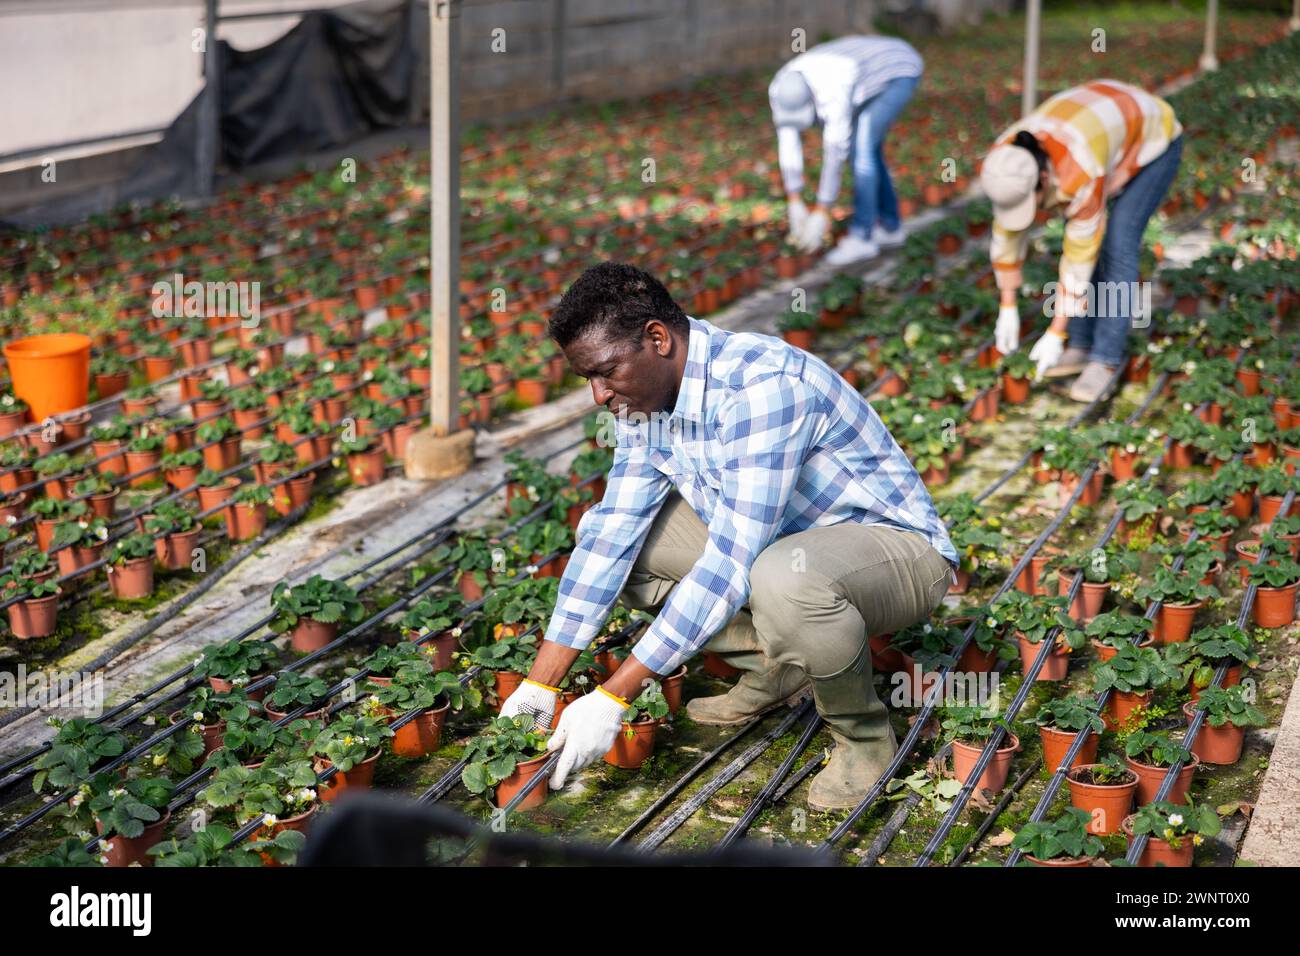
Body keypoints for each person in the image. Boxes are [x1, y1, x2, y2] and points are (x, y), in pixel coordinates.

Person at [499, 262, 957, 810]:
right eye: (587, 379)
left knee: (783, 579)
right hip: (779, 542)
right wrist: (540, 685)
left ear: (657, 339)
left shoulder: (763, 389)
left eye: (606, 372)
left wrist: (612, 697)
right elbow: (613, 533)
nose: (599, 394)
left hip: (894, 551)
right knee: (616, 536)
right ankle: (778, 668)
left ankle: (863, 739)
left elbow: (730, 563)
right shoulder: (643, 401)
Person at [981, 79, 1184, 402]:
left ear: (1044, 180)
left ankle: (1104, 359)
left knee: (1118, 244)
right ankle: (1080, 343)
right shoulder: (1006, 162)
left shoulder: (1080, 171)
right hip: (1102, 121)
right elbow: (1006, 235)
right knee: (1098, 244)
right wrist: (1007, 305)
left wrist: (1055, 332)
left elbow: (1078, 258)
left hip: (1152, 137)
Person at [769, 35, 923, 266]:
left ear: (814, 102)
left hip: (898, 68)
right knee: (868, 150)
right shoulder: (780, 87)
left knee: (861, 153)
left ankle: (863, 237)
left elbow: (834, 153)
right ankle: (891, 228)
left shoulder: (833, 92)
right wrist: (794, 197)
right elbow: (787, 138)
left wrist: (822, 210)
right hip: (864, 70)